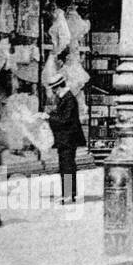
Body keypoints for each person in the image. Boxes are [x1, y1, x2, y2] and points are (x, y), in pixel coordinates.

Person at [46, 73, 85, 205]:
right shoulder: (65, 98)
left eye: (54, 89)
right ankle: (68, 193)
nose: (54, 92)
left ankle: (69, 195)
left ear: (59, 87)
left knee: (67, 166)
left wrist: (48, 118)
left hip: (68, 139)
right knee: (65, 166)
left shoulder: (69, 99)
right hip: (65, 139)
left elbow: (65, 119)